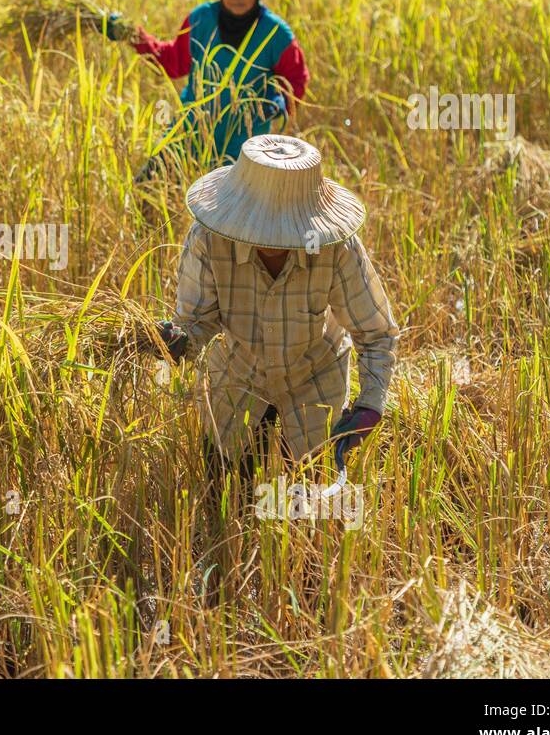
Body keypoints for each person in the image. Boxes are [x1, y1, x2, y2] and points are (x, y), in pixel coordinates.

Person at [149, 134, 398, 507]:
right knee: (225, 495)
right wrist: (177, 340)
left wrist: (370, 404)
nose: (273, 239)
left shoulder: (334, 248)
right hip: (237, 374)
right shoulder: (208, 240)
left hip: (314, 377)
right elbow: (196, 322)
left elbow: (376, 332)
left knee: (307, 502)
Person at [100, 0, 310, 181]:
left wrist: (278, 104)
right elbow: (171, 61)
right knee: (148, 189)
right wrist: (131, 34)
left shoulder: (276, 33)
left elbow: (296, 80)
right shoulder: (201, 19)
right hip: (191, 132)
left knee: (228, 214)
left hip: (245, 145)